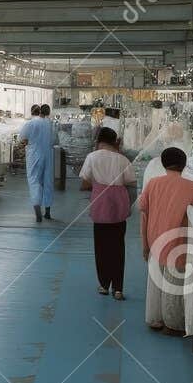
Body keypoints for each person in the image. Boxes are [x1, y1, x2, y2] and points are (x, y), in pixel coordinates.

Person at [137, 147, 193, 338]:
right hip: (175, 243)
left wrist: (144, 244)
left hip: (154, 239)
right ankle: (173, 325)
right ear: (184, 165)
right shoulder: (188, 186)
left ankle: (155, 319)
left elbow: (143, 210)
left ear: (163, 164)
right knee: (172, 285)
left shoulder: (153, 183)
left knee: (155, 282)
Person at [79, 127, 136, 299]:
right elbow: (131, 183)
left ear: (98, 141)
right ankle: (118, 288)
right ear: (114, 141)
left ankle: (104, 285)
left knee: (101, 246)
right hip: (119, 203)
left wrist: (97, 184)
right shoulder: (123, 159)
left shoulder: (92, 157)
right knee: (118, 246)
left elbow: (85, 183)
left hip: (100, 203)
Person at [19, 103, 58, 221]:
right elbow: (55, 140)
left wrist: (29, 143)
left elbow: (23, 139)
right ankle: (47, 212)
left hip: (34, 155)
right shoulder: (50, 124)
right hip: (48, 155)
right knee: (47, 181)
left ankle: (37, 211)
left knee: (34, 180)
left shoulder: (30, 123)